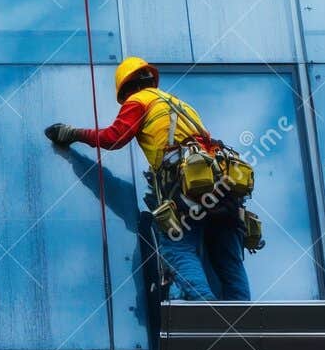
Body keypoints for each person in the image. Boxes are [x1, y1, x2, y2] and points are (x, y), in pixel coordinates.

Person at [45, 57, 251, 301]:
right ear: (150, 79)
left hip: (189, 189)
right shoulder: (182, 105)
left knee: (177, 246)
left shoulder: (139, 100)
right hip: (225, 191)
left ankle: (207, 309)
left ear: (126, 89)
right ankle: (243, 318)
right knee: (226, 256)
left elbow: (115, 137)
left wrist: (73, 134)